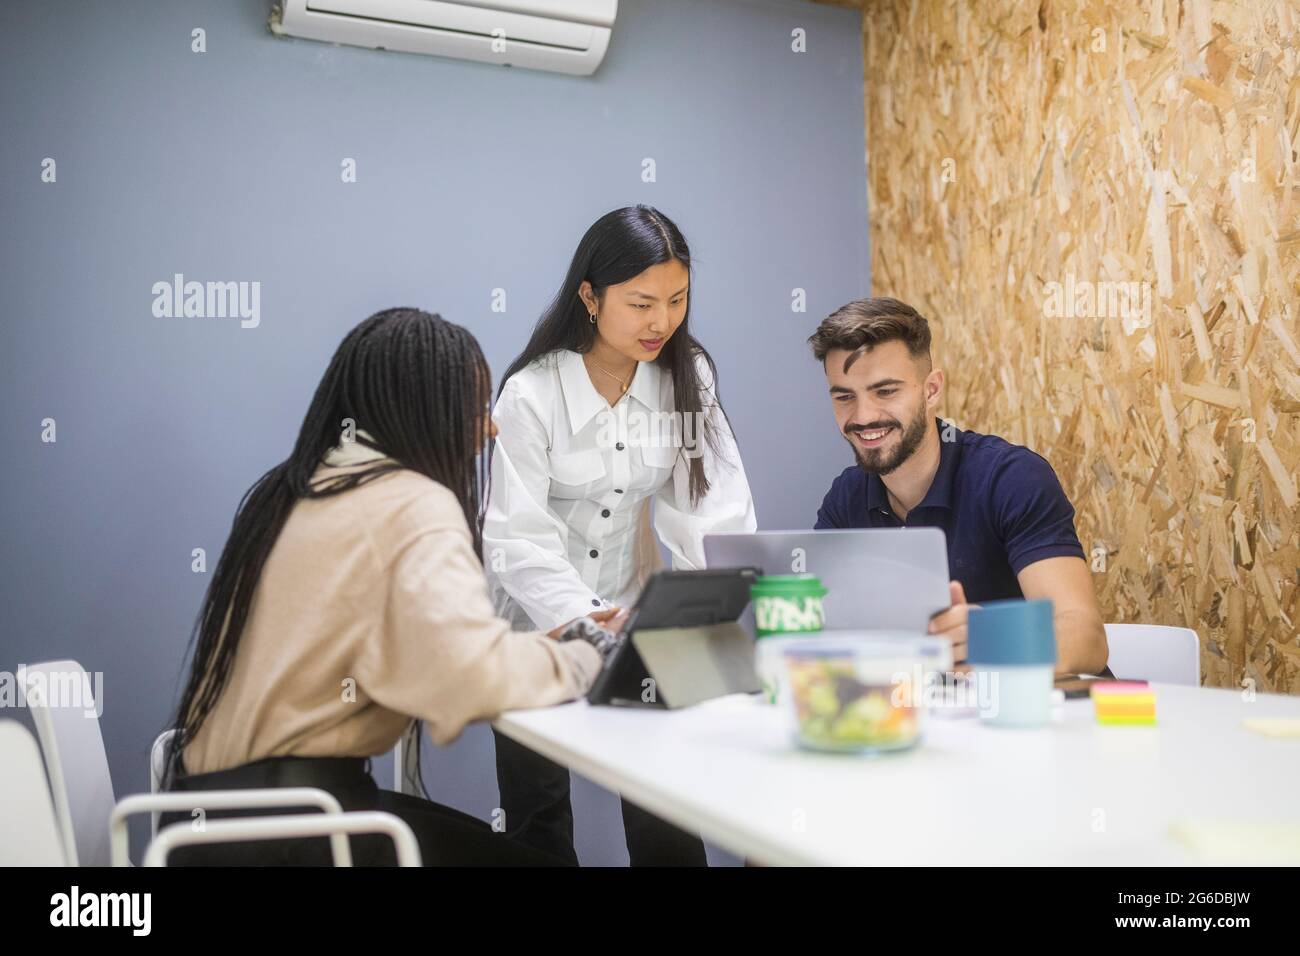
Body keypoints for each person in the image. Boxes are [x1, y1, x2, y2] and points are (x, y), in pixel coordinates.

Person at [160, 308, 621, 866]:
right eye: (474, 408)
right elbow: (466, 678)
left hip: (206, 826)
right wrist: (585, 657)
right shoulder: (409, 503)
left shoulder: (294, 490)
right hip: (293, 833)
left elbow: (409, 660)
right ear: (424, 410)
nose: (491, 427)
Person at [484, 205, 756, 865]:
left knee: (665, 807)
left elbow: (712, 514)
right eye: (639, 303)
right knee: (538, 824)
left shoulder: (687, 380)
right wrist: (587, 624)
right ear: (590, 296)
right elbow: (518, 543)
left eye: (676, 300)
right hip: (538, 628)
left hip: (639, 619)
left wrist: (686, 611)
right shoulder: (530, 396)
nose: (661, 321)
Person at [807, 297, 1107, 675]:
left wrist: (992, 637)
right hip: (932, 718)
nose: (863, 416)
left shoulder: (1010, 478)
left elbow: (1088, 639)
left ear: (931, 390)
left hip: (1044, 716)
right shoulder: (845, 498)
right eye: (845, 397)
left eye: (886, 391)